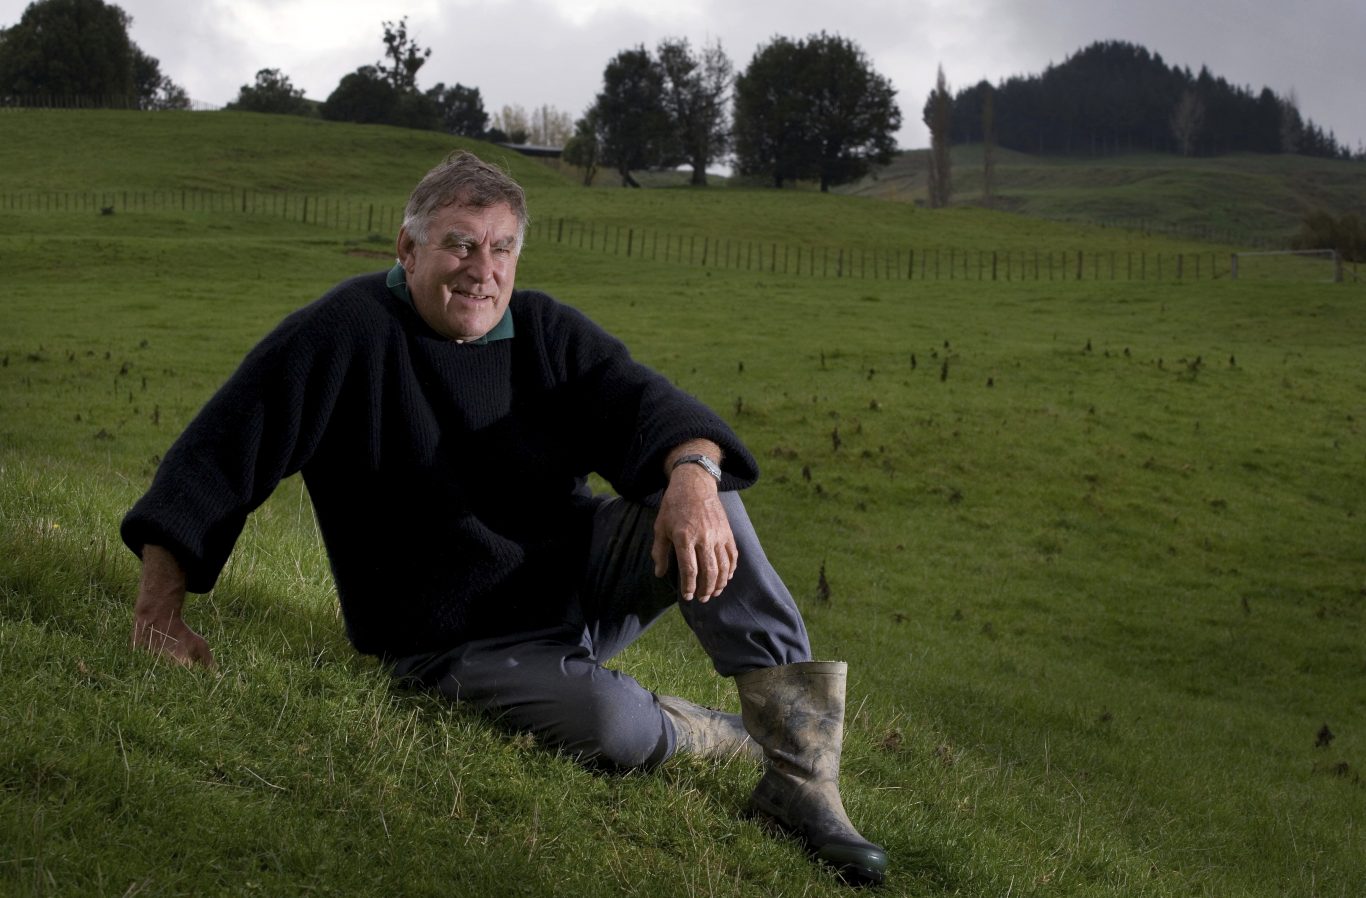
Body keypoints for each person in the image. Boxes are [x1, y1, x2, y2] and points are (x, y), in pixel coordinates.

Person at [123, 151, 888, 886]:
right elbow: (219, 455)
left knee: (704, 483)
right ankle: (710, 733)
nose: (481, 270)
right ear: (408, 247)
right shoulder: (345, 332)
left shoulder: (544, 329)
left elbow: (645, 403)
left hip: (577, 585)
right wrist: (160, 612)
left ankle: (801, 777)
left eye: (501, 248)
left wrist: (692, 471)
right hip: (450, 639)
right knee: (613, 728)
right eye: (458, 244)